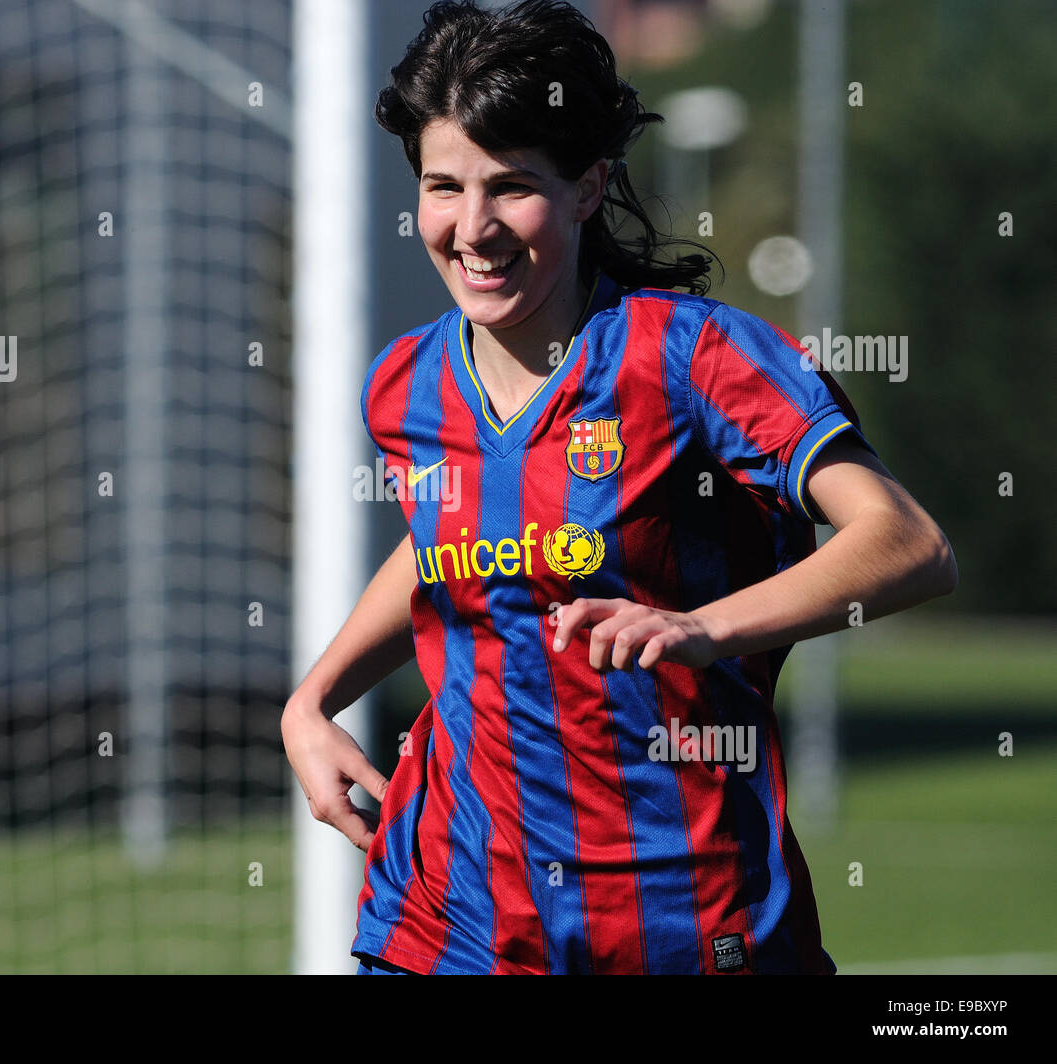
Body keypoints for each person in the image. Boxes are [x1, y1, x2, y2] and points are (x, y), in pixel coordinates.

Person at [280, 0, 956, 975]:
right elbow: (451, 538)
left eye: (510, 187)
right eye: (441, 186)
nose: (471, 227)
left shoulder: (696, 357)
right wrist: (313, 701)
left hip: (687, 919)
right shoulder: (405, 384)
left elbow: (907, 544)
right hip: (453, 911)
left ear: (588, 187)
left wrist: (703, 626)